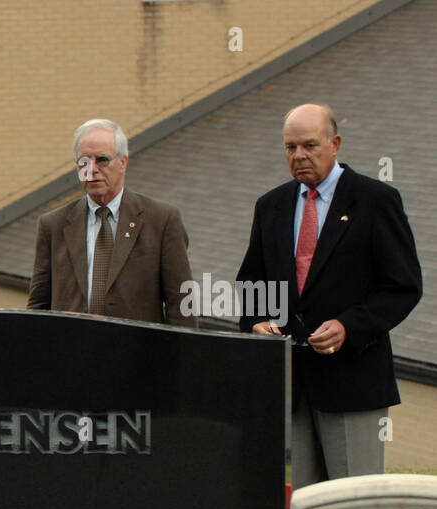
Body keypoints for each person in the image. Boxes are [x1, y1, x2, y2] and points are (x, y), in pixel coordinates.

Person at [237, 103, 422, 489]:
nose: (299, 156)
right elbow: (252, 282)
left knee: (355, 508)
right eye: (290, 148)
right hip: (293, 387)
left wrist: (348, 326)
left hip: (353, 382)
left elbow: (403, 286)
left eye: (310, 145)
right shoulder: (270, 205)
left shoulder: (375, 201)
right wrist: (257, 323)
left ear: (335, 143)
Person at [28, 118, 195, 328]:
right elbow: (37, 307)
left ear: (123, 163)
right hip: (72, 354)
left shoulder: (161, 220)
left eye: (102, 160)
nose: (92, 169)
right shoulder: (53, 225)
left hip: (136, 355)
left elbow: (181, 308)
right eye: (84, 162)